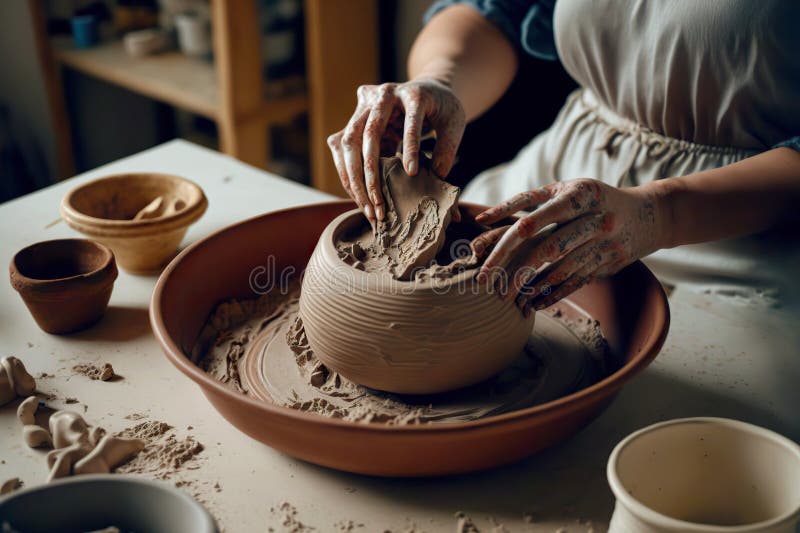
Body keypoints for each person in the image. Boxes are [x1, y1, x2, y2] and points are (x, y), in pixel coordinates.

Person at [327, 0, 800, 315]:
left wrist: (663, 213)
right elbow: (492, 12)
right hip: (562, 174)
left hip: (744, 228)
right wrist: (442, 82)